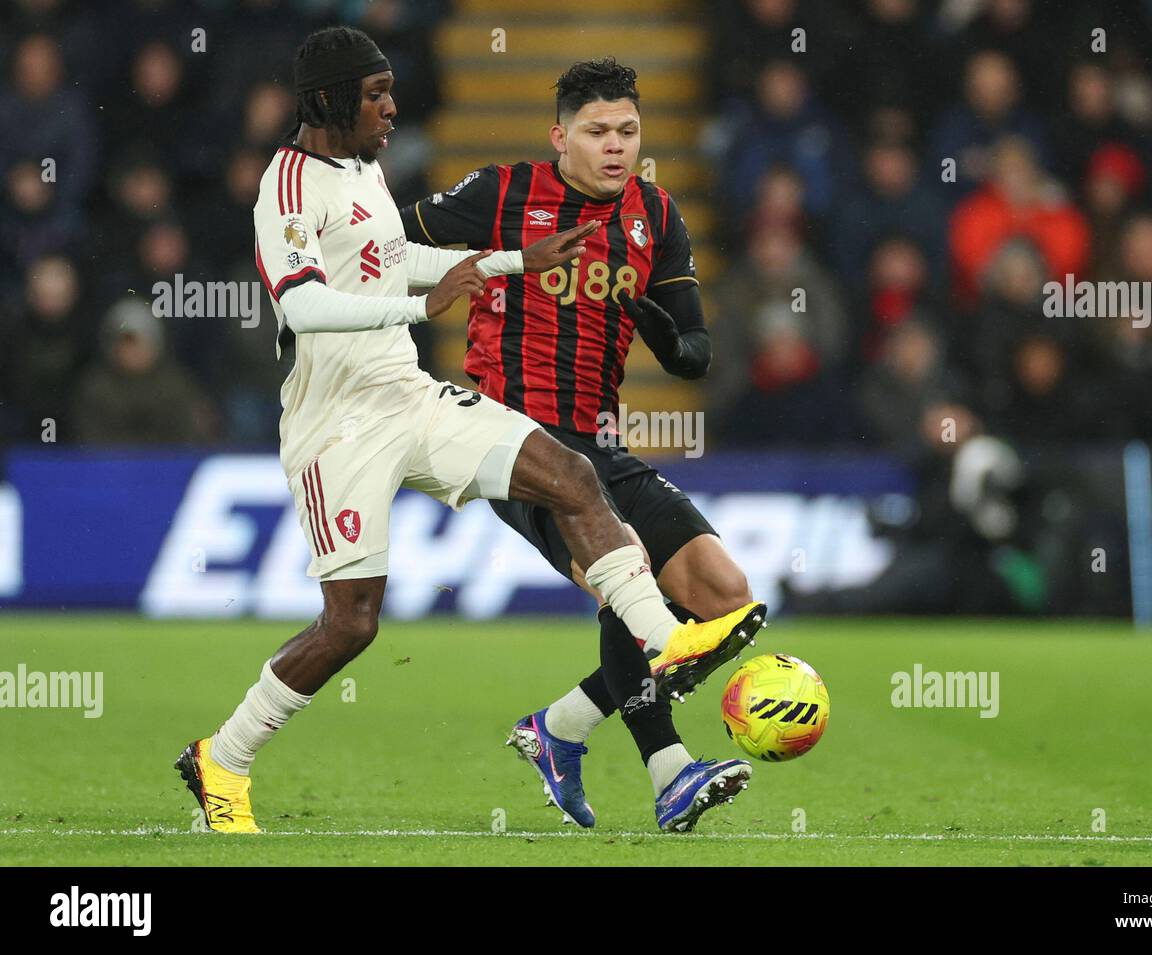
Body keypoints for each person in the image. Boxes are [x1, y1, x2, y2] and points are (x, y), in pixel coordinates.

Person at [177, 30, 764, 836]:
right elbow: (303, 306)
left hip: (407, 393)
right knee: (351, 623)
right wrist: (427, 305)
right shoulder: (285, 186)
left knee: (570, 476)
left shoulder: (363, 172)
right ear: (329, 101)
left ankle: (666, 644)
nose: (392, 108)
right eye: (377, 94)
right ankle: (225, 755)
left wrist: (510, 263)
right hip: (336, 423)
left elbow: (393, 256)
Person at [400, 57, 766, 832]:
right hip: (512, 445)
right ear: (559, 136)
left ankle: (561, 727)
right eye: (597, 131)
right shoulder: (501, 193)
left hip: (599, 444)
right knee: (627, 577)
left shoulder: (656, 216)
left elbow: (693, 352)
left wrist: (676, 341)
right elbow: (390, 243)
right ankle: (671, 773)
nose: (615, 146)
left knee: (726, 599)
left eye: (628, 131)